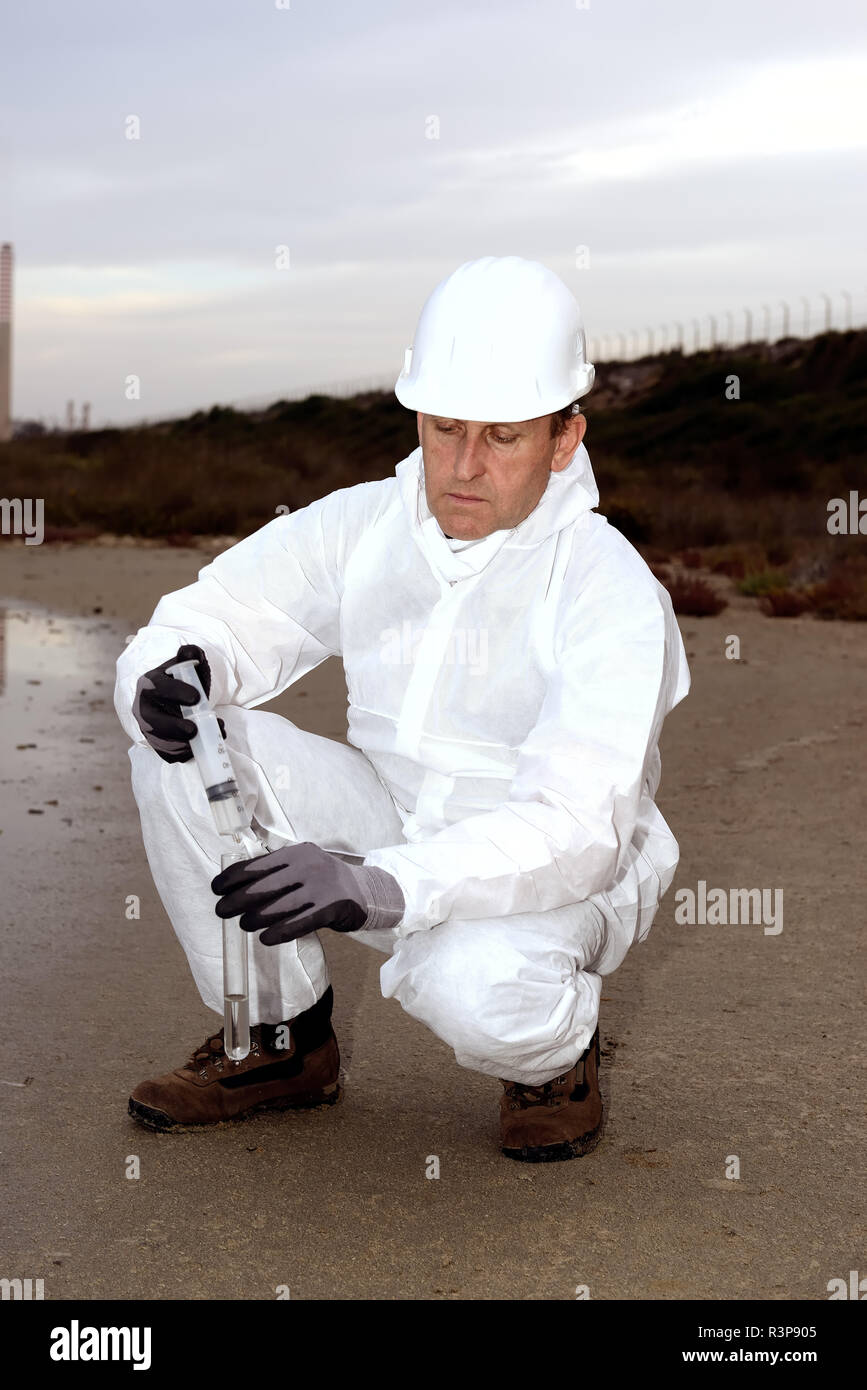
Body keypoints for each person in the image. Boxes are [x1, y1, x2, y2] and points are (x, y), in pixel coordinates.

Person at [114, 255, 690, 1162]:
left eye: (502, 436)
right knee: (193, 743)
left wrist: (385, 888)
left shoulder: (606, 588)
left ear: (565, 436)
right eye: (443, 427)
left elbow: (577, 825)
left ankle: (552, 1056)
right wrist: (174, 669)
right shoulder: (365, 523)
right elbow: (223, 614)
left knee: (472, 988)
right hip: (389, 814)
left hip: (552, 866)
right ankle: (279, 1042)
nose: (462, 466)